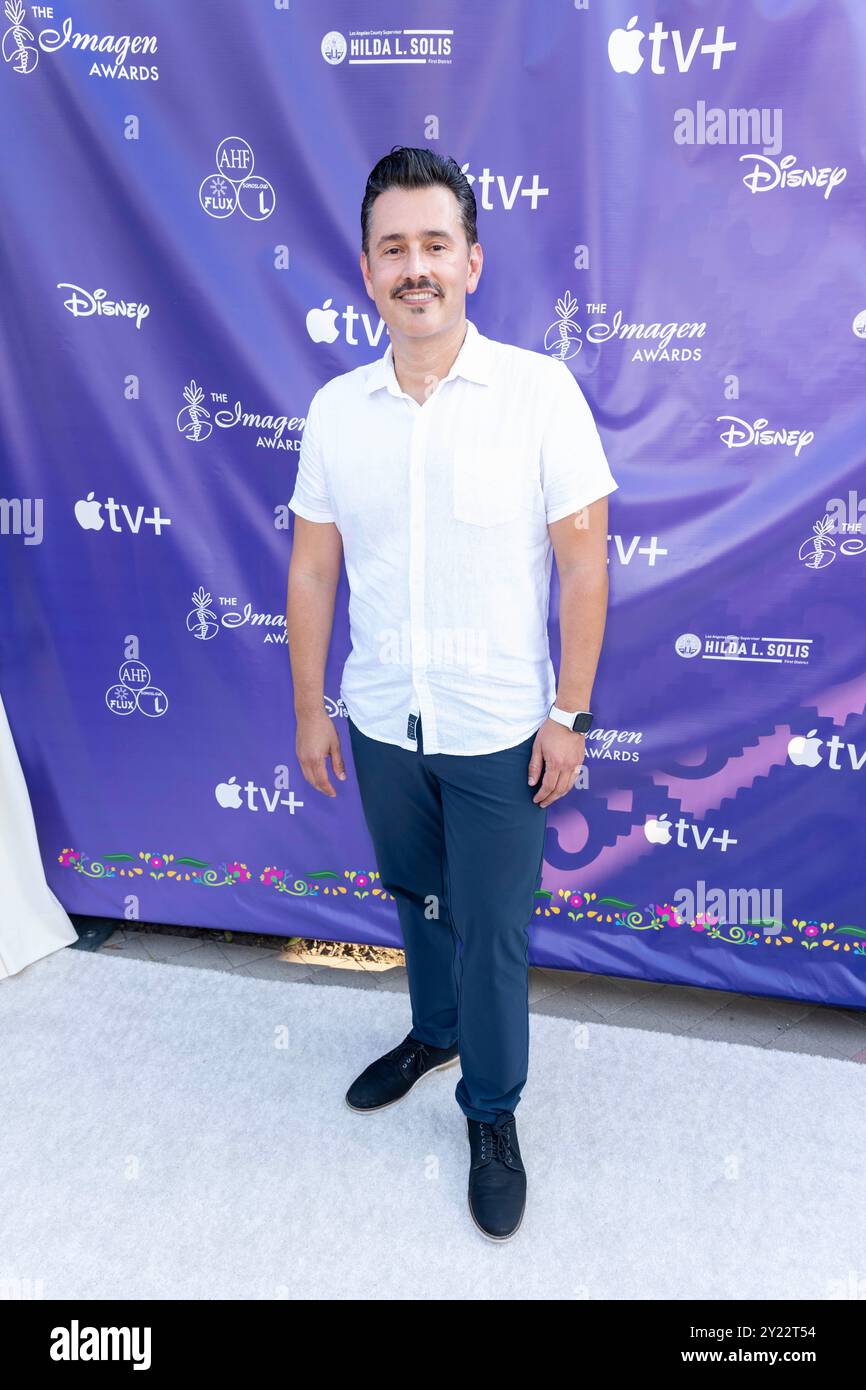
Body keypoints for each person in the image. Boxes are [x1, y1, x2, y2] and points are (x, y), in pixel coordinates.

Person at [286, 145, 618, 1241]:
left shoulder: (537, 391)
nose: (414, 266)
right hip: (383, 717)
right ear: (368, 269)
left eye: (435, 244)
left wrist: (567, 712)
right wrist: (307, 708)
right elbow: (313, 569)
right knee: (417, 900)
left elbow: (581, 563)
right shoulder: (336, 409)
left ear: (471, 260)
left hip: (496, 732)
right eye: (394, 248)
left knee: (493, 928)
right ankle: (431, 1032)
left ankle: (492, 1110)